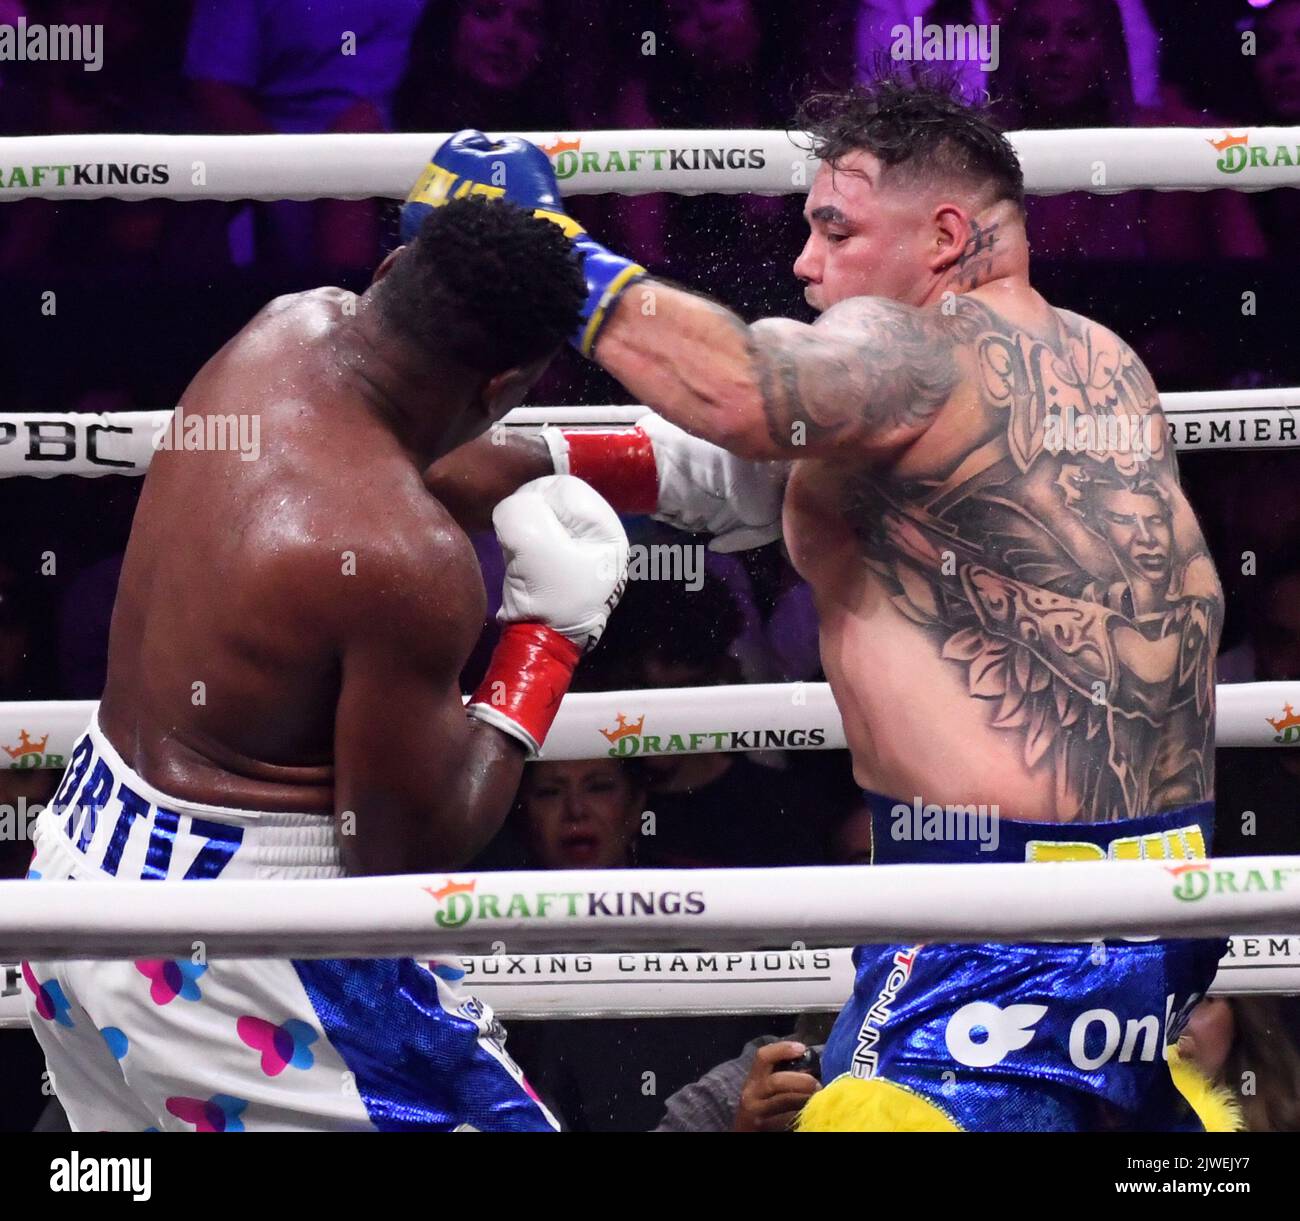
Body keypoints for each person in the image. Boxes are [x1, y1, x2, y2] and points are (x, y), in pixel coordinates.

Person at [416, 72, 1231, 1130]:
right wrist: (507, 460)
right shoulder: (1098, 363)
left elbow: (750, 396)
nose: (805, 263)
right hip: (1162, 908)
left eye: (834, 230)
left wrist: (537, 248)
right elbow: (767, 462)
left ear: (944, 237)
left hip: (992, 926)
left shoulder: (915, 346)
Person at [22, 193, 631, 1132]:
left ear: (387, 274)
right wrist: (546, 642)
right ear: (502, 384)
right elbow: (401, 856)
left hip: (75, 881)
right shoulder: (408, 564)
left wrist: (642, 467)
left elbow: (380, 454)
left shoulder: (283, 325)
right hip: (243, 951)